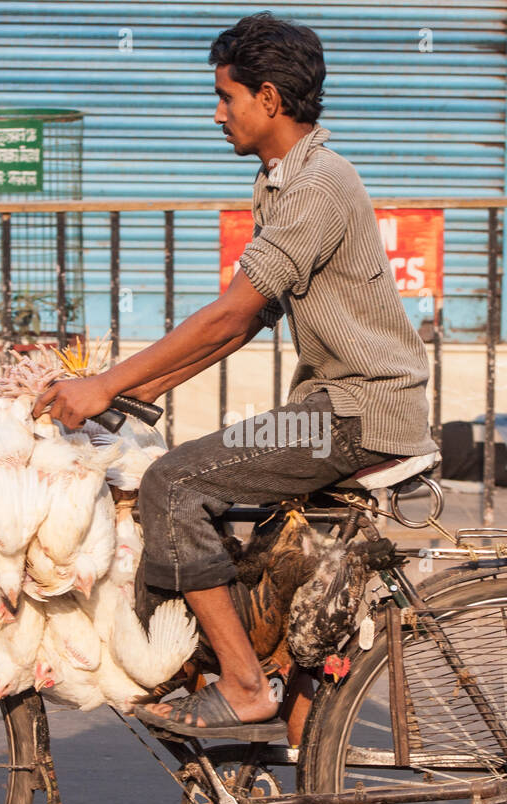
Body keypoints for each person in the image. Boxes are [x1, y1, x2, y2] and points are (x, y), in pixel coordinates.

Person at [32, 12, 437, 745]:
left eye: (227, 97)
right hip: (335, 407)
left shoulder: (318, 185)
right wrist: (135, 392)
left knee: (176, 486)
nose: (217, 113)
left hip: (354, 414)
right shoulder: (280, 181)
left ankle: (245, 686)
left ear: (270, 99)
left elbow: (230, 313)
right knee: (278, 580)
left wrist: (102, 384)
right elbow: (249, 322)